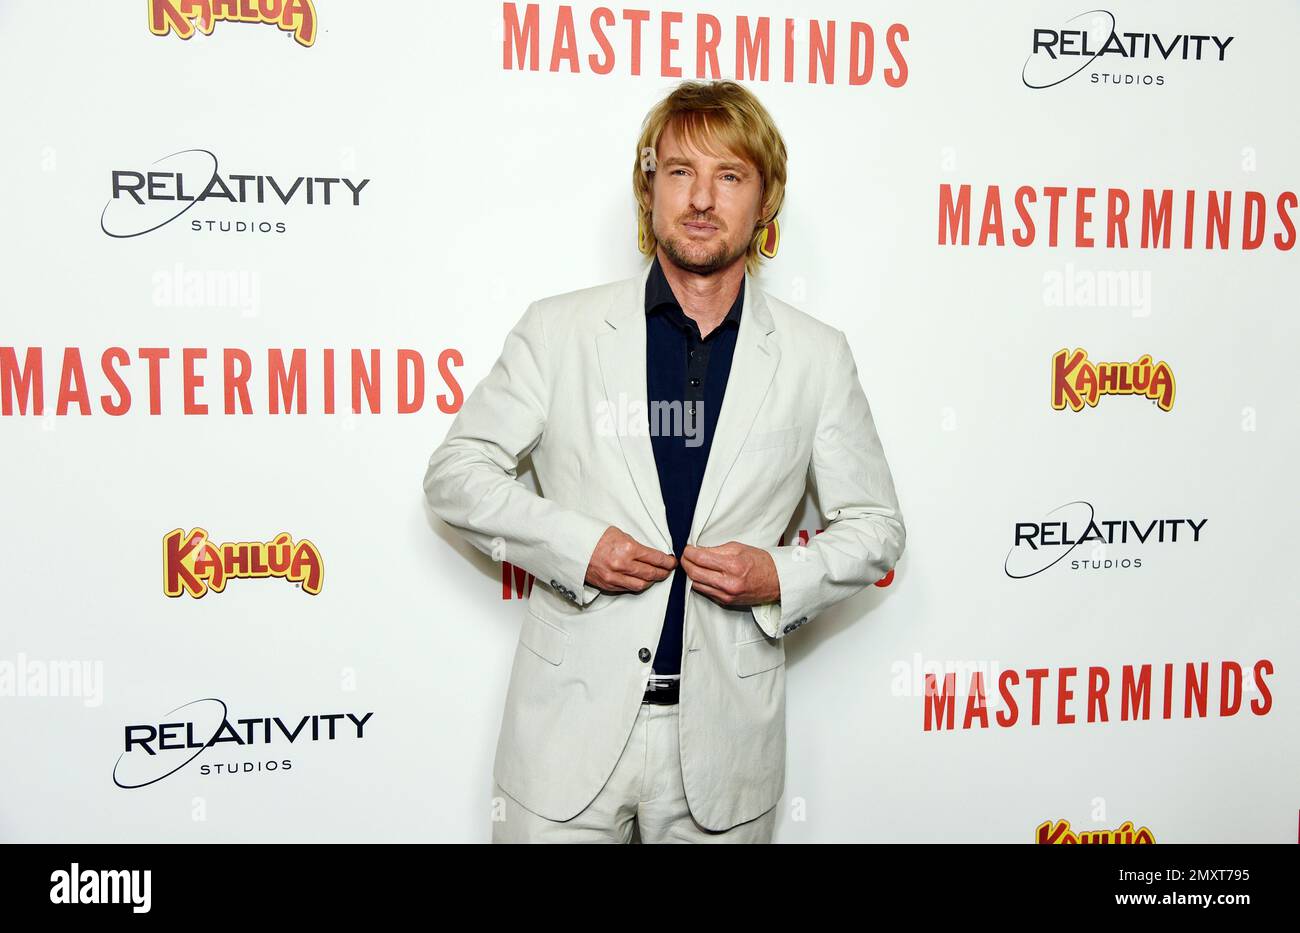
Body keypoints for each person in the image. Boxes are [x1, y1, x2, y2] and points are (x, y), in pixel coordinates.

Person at [423, 79, 905, 843]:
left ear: (765, 199)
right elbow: (456, 474)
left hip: (726, 747)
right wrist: (579, 548)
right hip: (565, 738)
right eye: (680, 171)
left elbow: (876, 527)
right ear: (648, 191)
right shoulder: (560, 332)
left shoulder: (817, 357)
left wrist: (780, 574)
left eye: (730, 175)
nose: (702, 198)